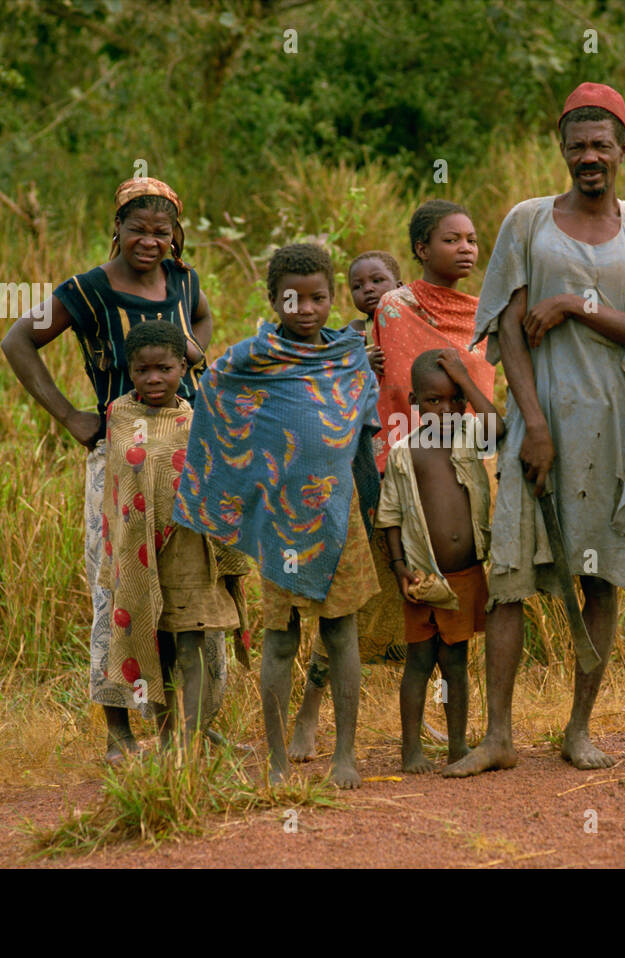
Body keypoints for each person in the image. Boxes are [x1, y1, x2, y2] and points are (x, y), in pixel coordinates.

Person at [444, 82, 625, 777]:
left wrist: (577, 305)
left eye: (601, 144)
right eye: (577, 145)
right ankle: (500, 736)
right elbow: (508, 328)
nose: (589, 156)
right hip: (539, 421)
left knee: (600, 577)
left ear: (624, 149)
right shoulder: (528, 221)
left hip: (614, 420)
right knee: (511, 576)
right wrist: (533, 424)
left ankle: (579, 730)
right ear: (562, 150)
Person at [0, 176, 215, 765]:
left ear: (175, 237)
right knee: (120, 589)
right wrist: (69, 415)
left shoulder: (184, 279)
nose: (149, 241)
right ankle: (120, 735)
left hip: (185, 451)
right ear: (115, 229)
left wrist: (194, 353)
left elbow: (200, 317)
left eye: (160, 232)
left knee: (185, 585)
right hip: (118, 456)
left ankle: (183, 728)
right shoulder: (86, 289)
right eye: (137, 230)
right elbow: (17, 339)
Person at [173, 243, 380, 789]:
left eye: (318, 298)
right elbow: (214, 398)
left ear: (333, 298)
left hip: (340, 516)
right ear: (272, 299)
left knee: (340, 634)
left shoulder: (349, 358)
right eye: (292, 298)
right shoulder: (252, 359)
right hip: (279, 524)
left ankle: (345, 756)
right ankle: (276, 762)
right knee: (281, 641)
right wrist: (235, 490)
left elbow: (365, 435)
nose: (305, 309)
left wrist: (374, 500)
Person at [98, 320, 248, 748]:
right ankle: (167, 742)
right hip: (139, 557)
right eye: (142, 370)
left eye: (163, 368)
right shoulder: (120, 416)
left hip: (189, 555)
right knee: (156, 650)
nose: (153, 379)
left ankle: (191, 741)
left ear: (183, 366)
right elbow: (117, 495)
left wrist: (231, 560)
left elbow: (222, 491)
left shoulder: (198, 421)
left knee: (191, 647)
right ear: (130, 371)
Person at [286, 249, 401, 763]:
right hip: (355, 490)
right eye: (358, 284)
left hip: (412, 487)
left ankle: (421, 721)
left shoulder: (414, 327)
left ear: (402, 285)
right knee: (343, 608)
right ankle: (308, 716)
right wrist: (355, 361)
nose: (369, 290)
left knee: (419, 608)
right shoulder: (343, 342)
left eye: (380, 280)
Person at [377, 348, 504, 773]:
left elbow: (498, 429)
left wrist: (467, 381)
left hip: (466, 577)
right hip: (422, 577)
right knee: (418, 664)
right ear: (413, 404)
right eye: (434, 400)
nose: (446, 409)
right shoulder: (405, 453)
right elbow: (390, 516)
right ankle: (410, 749)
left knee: (455, 665)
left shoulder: (471, 434)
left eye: (455, 399)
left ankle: (456, 745)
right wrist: (398, 568)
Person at [370, 200, 494, 472]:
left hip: (471, 454)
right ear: (422, 249)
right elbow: (398, 388)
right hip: (411, 457)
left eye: (471, 240)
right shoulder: (396, 307)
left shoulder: (483, 314)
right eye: (451, 240)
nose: (466, 248)